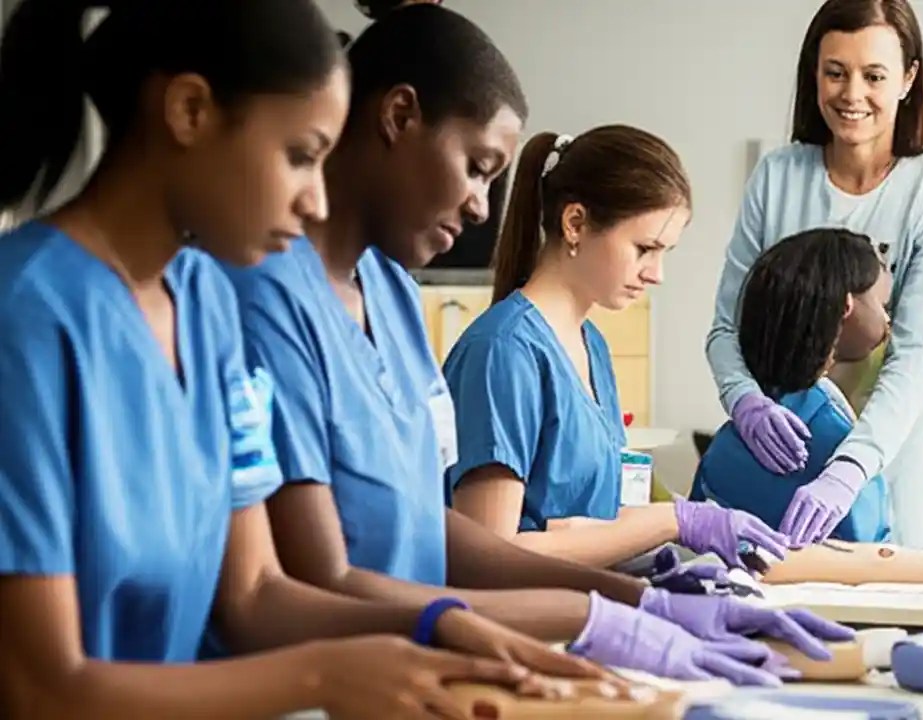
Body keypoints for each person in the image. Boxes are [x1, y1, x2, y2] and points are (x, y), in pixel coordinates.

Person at [0, 1, 614, 717]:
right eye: (299, 156)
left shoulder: (203, 301)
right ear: (191, 111)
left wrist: (441, 625)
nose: (316, 198)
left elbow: (255, 593)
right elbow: (40, 687)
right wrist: (324, 675)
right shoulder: (29, 317)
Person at [225, 5, 842, 687]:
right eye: (477, 168)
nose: (481, 207)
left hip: (432, 659)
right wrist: (604, 608)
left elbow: (435, 529)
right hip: (363, 669)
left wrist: (640, 596)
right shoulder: (265, 300)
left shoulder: (391, 291)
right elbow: (324, 577)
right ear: (398, 117)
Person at [442, 125, 819, 577]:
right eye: (645, 249)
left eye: (664, 253)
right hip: (522, 615)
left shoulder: (592, 346)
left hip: (590, 599)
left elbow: (599, 519)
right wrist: (670, 522)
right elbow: (486, 557)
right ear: (575, 223)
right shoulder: (503, 354)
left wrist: (677, 539)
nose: (656, 273)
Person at [705, 0, 923, 549]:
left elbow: (917, 357)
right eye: (835, 72)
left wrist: (849, 470)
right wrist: (745, 401)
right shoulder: (777, 178)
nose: (852, 94)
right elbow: (727, 328)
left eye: (874, 76)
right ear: (813, 74)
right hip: (777, 469)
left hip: (885, 477)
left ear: (908, 79)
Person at [693, 228, 894, 544]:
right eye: (883, 305)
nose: (887, 321)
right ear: (846, 306)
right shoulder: (836, 442)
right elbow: (876, 556)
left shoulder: (722, 450)